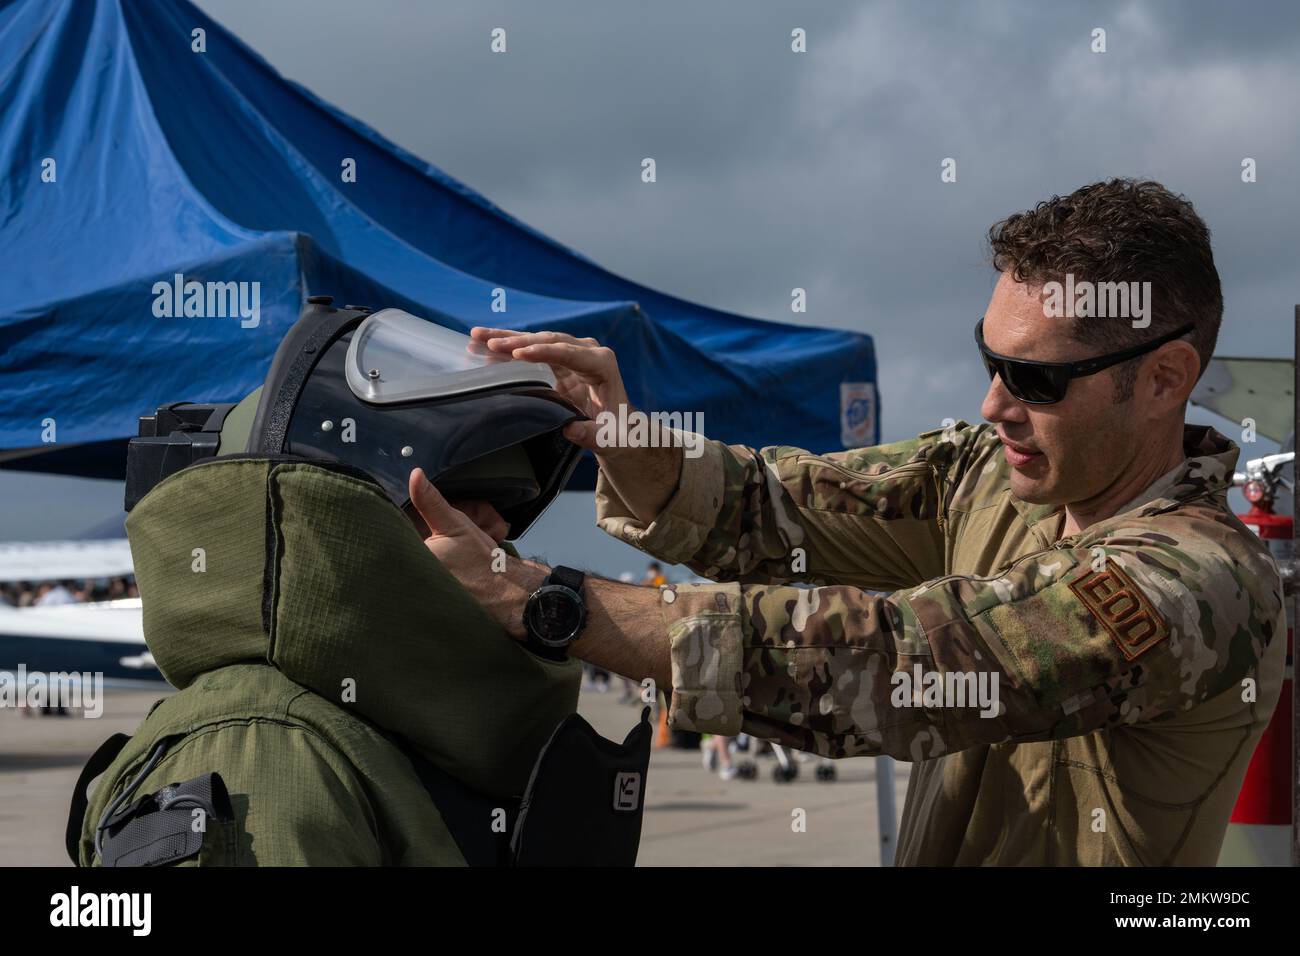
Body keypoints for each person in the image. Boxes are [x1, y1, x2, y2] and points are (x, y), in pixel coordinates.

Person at [419, 179, 1287, 866]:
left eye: (1037, 382)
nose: (994, 405)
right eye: (991, 362)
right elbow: (767, 503)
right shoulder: (982, 479)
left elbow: (902, 663)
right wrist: (622, 434)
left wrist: (541, 600)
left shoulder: (1199, 583)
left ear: (1168, 377)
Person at [72, 302, 649, 867]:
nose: (497, 528)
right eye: (457, 502)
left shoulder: (394, 724)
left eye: (502, 507)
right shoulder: (265, 749)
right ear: (345, 513)